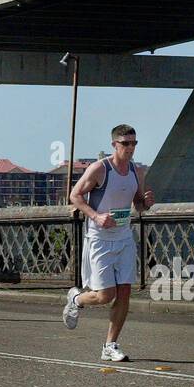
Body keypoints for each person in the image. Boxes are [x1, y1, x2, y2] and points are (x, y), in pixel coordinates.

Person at [63, 125, 154, 362]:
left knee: (125, 291)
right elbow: (74, 195)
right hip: (99, 239)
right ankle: (76, 299)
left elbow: (138, 205)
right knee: (104, 295)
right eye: (126, 144)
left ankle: (110, 345)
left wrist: (146, 203)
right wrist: (96, 216)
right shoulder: (99, 169)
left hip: (124, 238)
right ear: (114, 144)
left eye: (134, 143)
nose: (131, 148)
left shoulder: (136, 171)